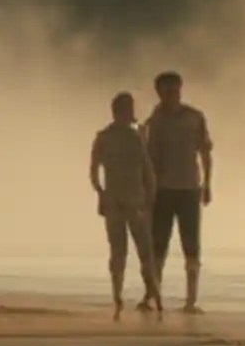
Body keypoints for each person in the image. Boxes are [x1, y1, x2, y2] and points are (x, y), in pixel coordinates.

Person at [142, 71, 213, 314]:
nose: (171, 95)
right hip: (161, 190)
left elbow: (205, 152)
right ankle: (152, 296)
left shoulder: (194, 117)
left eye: (174, 90)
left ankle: (191, 300)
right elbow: (146, 159)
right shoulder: (153, 122)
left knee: (191, 245)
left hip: (189, 188)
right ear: (159, 93)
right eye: (166, 91)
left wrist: (207, 184)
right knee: (157, 245)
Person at [91, 92, 162, 321]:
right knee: (134, 251)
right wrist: (150, 197)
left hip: (125, 199)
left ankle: (128, 296)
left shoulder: (118, 137)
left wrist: (101, 193)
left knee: (130, 251)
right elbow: (147, 170)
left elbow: (94, 171)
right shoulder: (124, 137)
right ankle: (131, 296)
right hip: (128, 200)